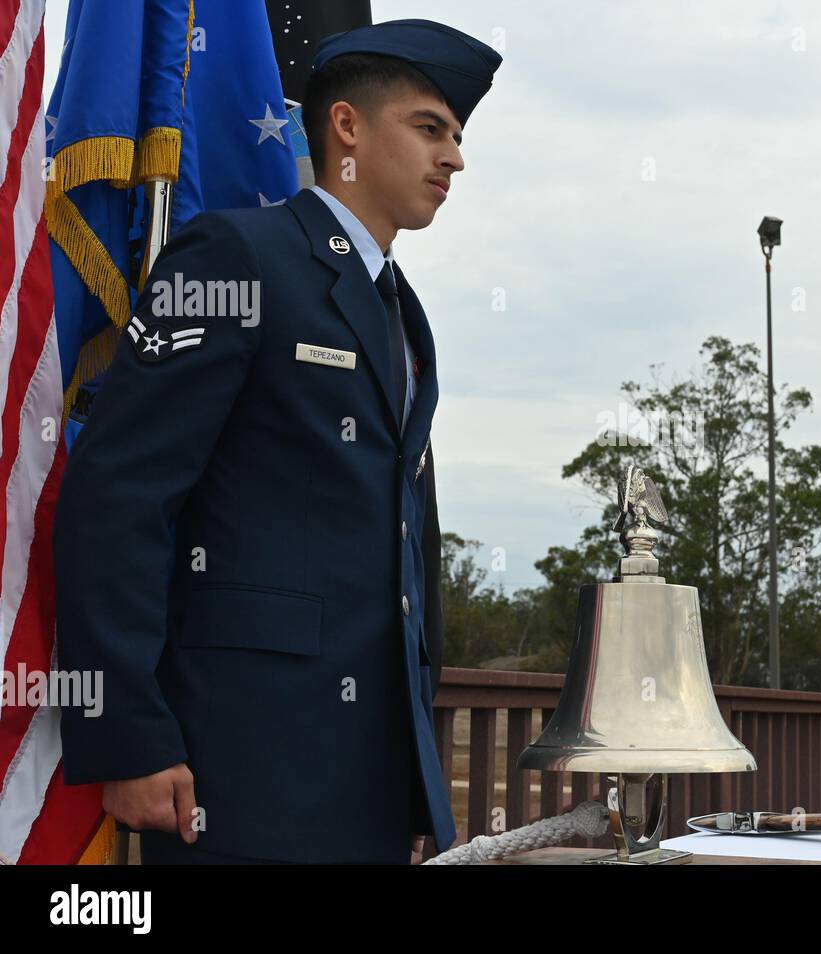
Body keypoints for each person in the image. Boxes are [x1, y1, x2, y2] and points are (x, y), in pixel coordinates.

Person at [53, 19, 502, 864]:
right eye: (430, 128)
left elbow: (407, 560)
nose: (454, 159)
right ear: (348, 129)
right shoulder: (234, 259)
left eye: (459, 137)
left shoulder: (405, 316)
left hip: (365, 781)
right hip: (237, 771)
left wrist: (412, 780)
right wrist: (130, 734)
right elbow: (119, 498)